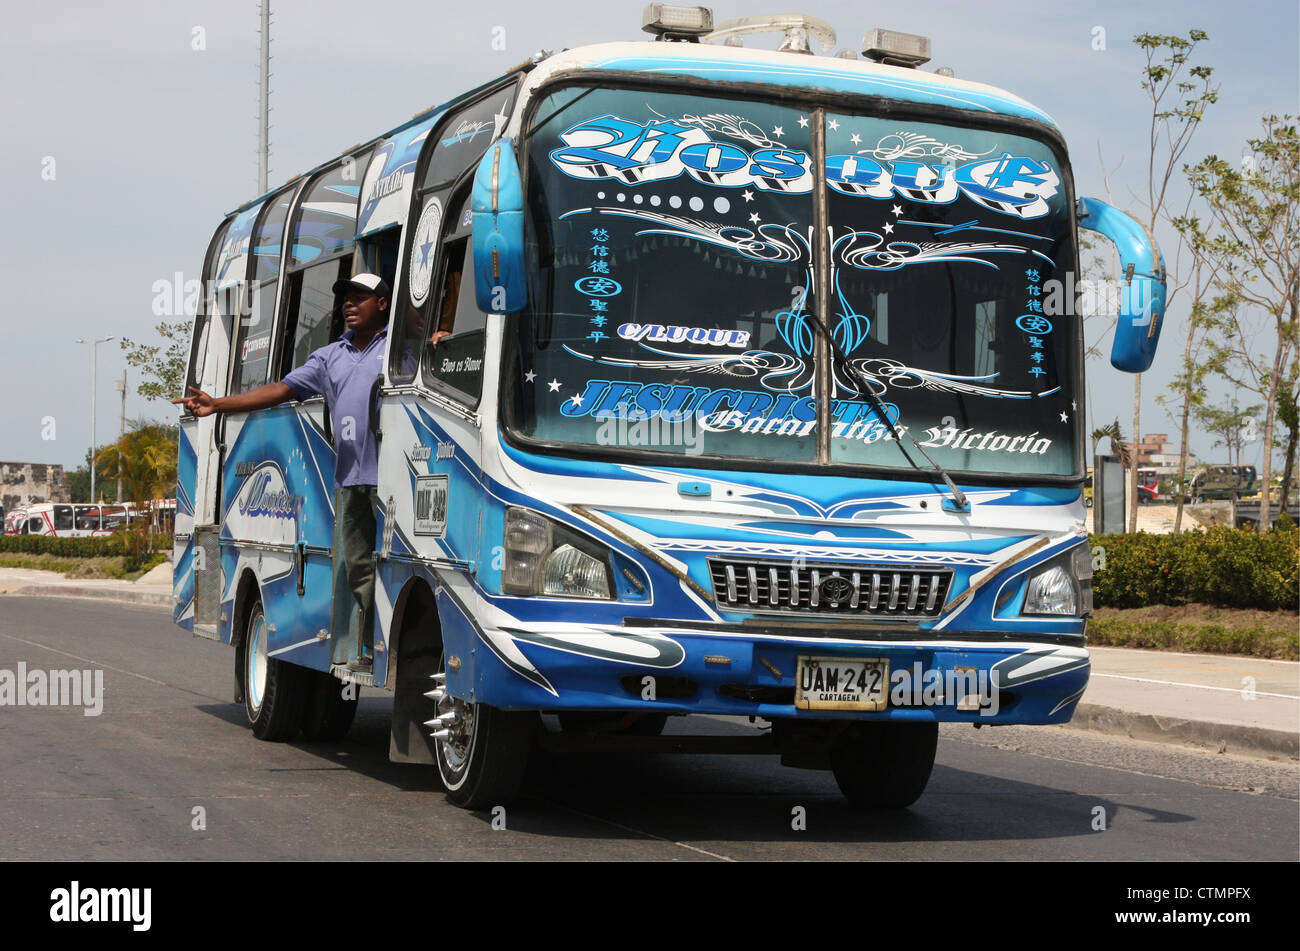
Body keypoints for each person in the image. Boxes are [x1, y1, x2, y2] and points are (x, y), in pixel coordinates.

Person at [175, 273, 393, 672]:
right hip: (352, 481)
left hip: (396, 481)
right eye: (344, 297)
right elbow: (280, 390)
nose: (348, 304)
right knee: (360, 566)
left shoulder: (399, 348)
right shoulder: (330, 357)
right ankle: (366, 645)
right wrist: (218, 404)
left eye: (359, 297)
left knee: (396, 566)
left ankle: (384, 644)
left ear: (382, 303)